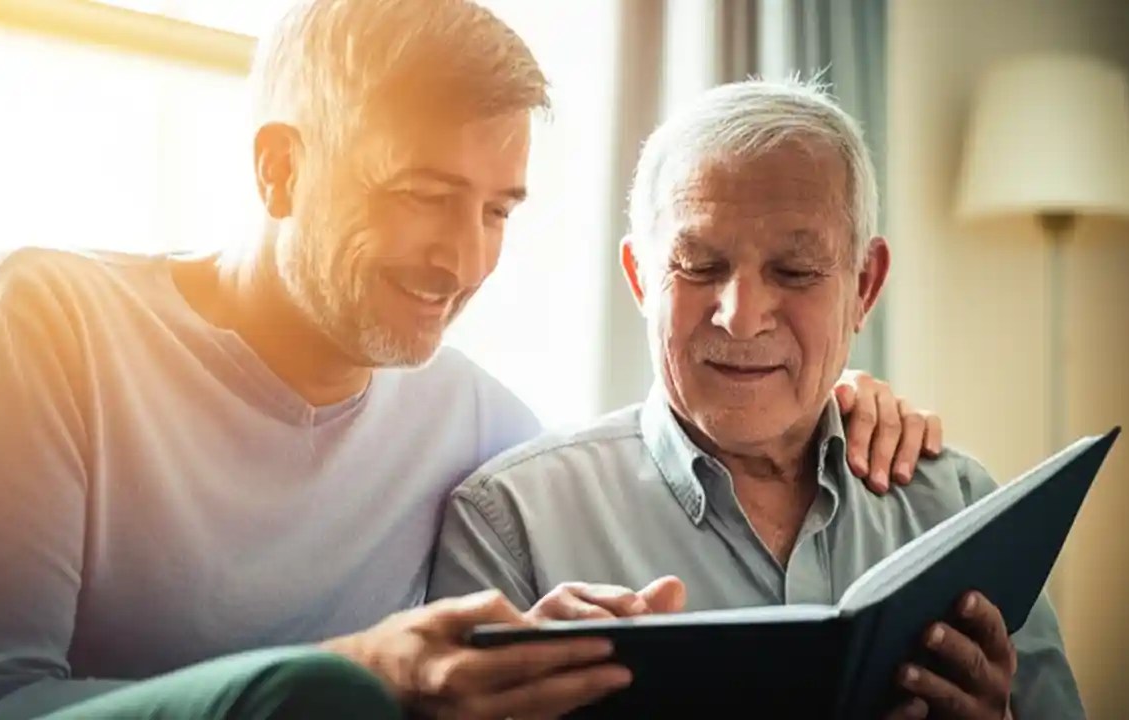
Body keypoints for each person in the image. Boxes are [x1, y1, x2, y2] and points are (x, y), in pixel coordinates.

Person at [0, 2, 944, 719]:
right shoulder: (37, 323)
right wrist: (357, 676)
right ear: (280, 167)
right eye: (419, 194)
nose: (463, 261)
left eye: (496, 210)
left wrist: (825, 406)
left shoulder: (482, 431)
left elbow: (680, 424)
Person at [429, 78, 1085, 720]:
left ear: (864, 285)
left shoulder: (963, 509)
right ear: (639, 278)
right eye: (699, 266)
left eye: (794, 271)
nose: (742, 318)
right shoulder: (511, 524)